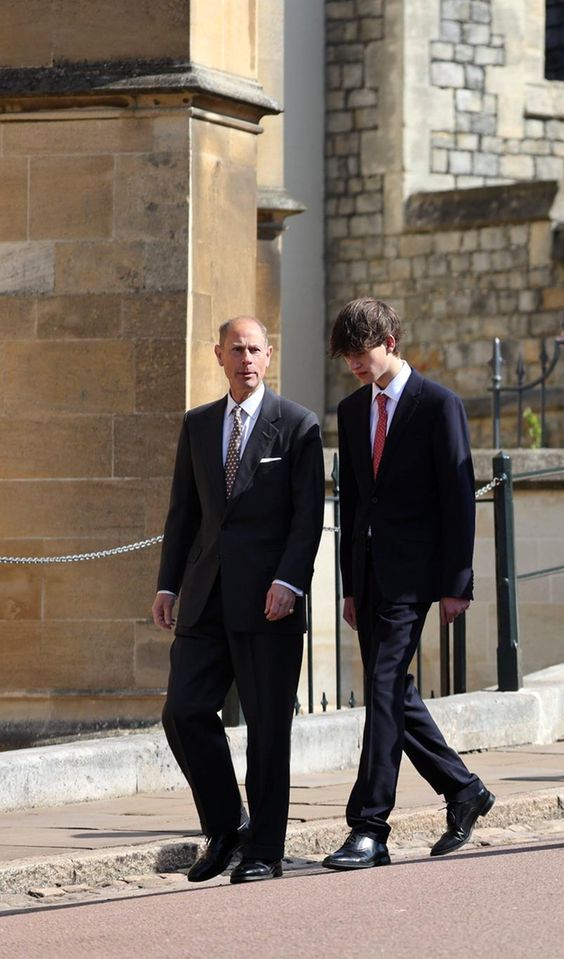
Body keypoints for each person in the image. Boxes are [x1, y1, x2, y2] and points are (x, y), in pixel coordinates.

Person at [322, 297, 495, 869]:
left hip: (416, 577)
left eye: (362, 351)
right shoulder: (350, 412)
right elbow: (352, 502)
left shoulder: (438, 404)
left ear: (391, 343)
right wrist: (349, 584)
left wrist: (458, 581)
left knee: (382, 689)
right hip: (369, 578)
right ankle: (464, 790)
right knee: (393, 691)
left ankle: (370, 826)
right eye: (346, 354)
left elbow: (458, 498)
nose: (354, 362)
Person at [153, 316, 324, 884]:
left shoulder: (297, 425)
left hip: (270, 602)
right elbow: (185, 515)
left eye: (254, 349)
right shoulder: (198, 425)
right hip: (205, 599)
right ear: (218, 356)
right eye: (236, 349)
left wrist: (291, 581)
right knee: (183, 711)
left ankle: (264, 852)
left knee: (268, 729)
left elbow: (308, 519)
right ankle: (227, 826)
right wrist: (168, 584)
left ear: (268, 356)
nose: (246, 358)